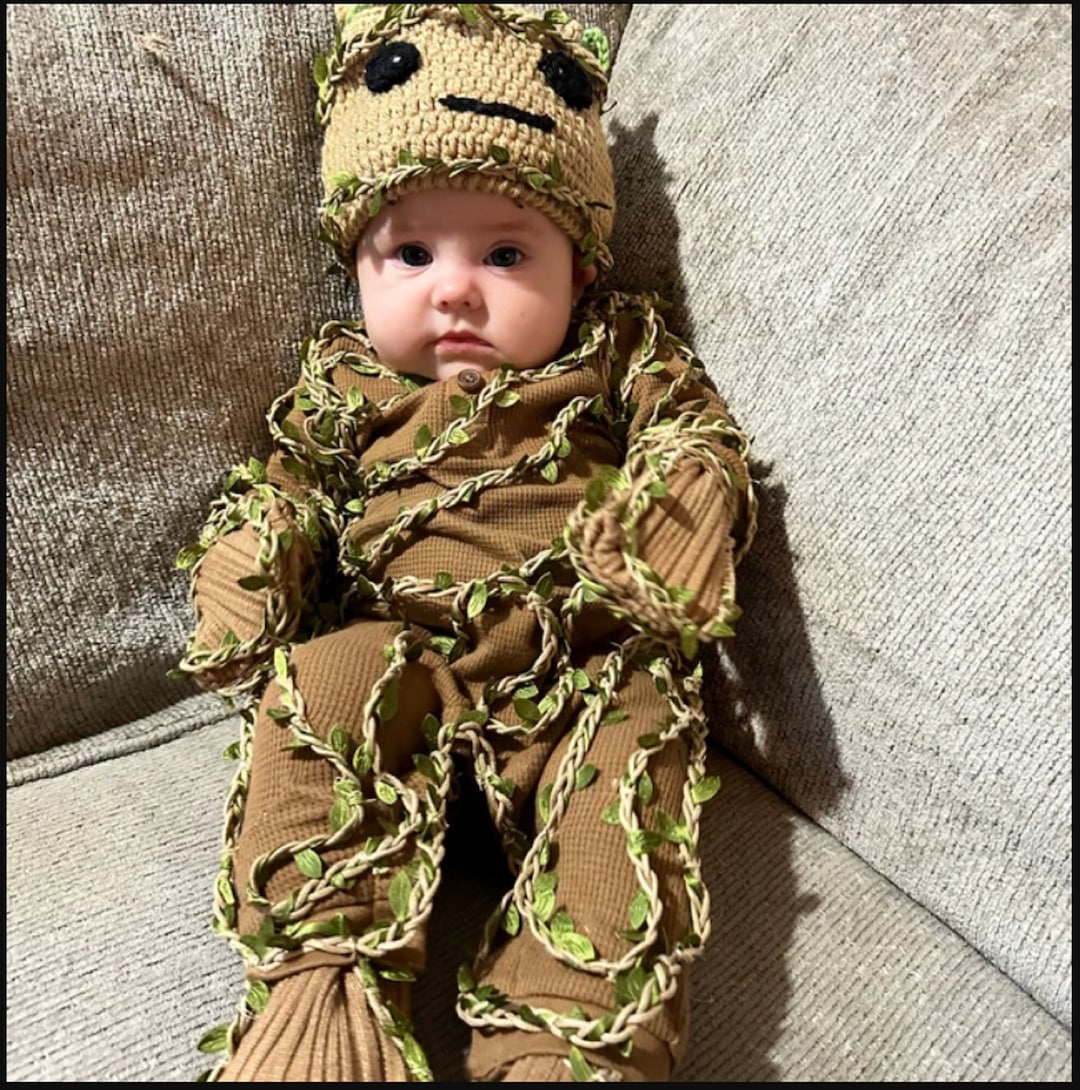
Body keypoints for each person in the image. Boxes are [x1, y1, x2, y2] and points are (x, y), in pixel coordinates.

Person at [177, 4, 756, 1082]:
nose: (454, 287)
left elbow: (693, 430)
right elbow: (291, 485)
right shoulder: (345, 379)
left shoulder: (616, 345)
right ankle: (322, 1000)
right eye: (409, 251)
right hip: (409, 670)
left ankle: (567, 1038)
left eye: (504, 252)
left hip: (574, 666)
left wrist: (680, 504)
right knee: (325, 676)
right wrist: (253, 557)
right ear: (356, 264)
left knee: (637, 737)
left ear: (579, 270)